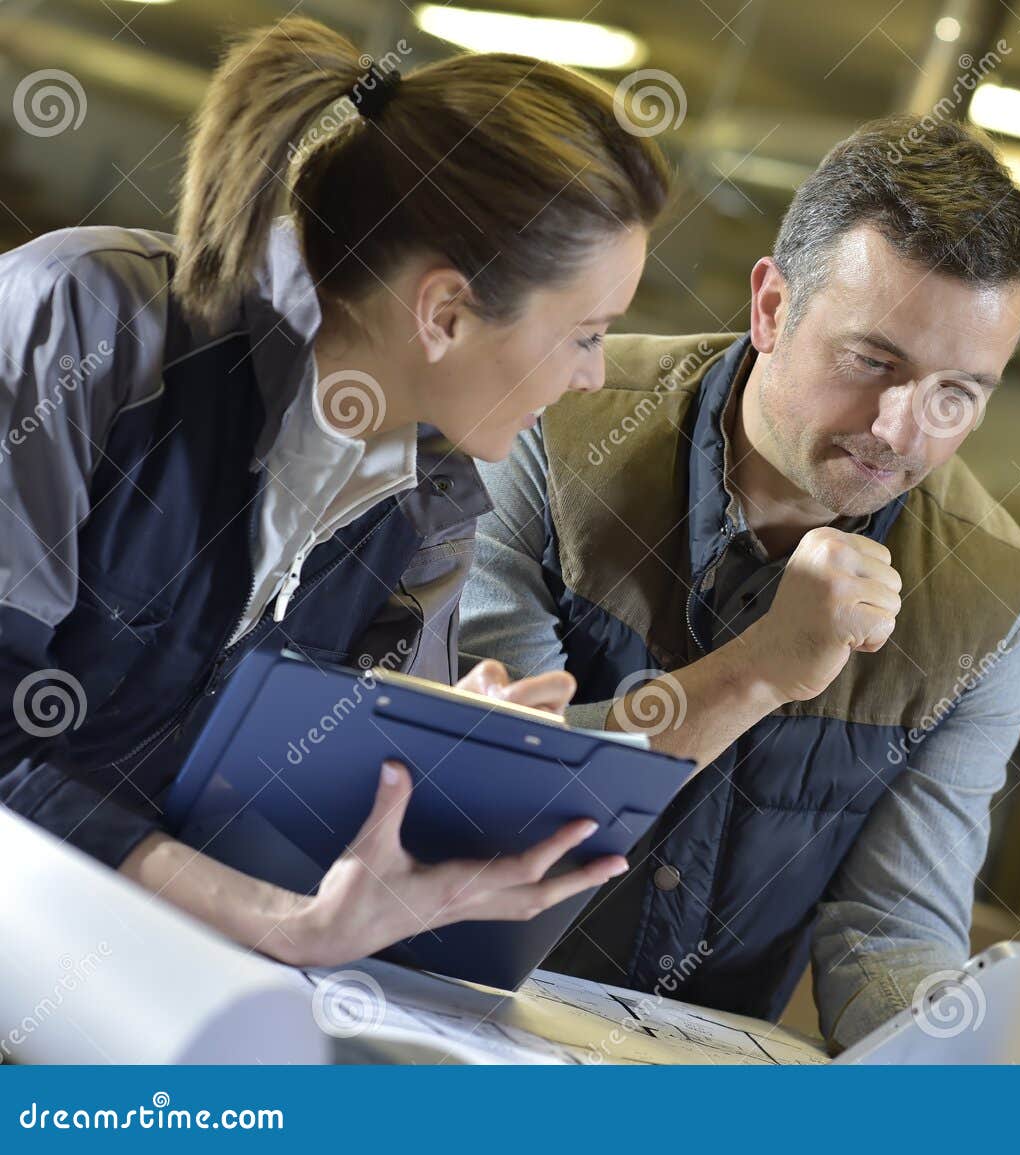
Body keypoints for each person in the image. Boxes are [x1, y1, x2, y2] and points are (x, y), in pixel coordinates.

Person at [0, 18, 670, 967]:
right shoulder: (85, 325)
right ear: (443, 312)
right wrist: (269, 918)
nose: (594, 376)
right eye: (587, 333)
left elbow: (248, 800)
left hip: (97, 982)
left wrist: (429, 740)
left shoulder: (429, 500)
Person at [460, 116, 1020, 1050]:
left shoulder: (991, 603)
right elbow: (495, 802)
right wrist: (761, 670)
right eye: (872, 362)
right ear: (772, 307)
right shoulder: (554, 429)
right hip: (453, 1021)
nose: (901, 430)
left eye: (958, 394)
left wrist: (942, 1071)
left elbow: (890, 930)